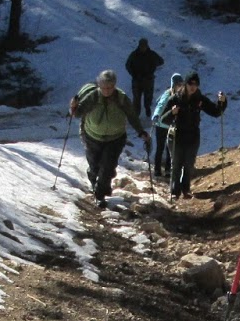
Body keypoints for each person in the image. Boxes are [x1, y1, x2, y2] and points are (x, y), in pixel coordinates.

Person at [70, 69, 150, 208]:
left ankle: (99, 194)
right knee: (95, 165)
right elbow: (78, 113)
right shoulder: (93, 96)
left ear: (114, 85)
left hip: (115, 138)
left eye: (110, 87)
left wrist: (141, 131)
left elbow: (131, 115)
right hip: (92, 136)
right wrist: (74, 107)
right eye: (104, 88)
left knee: (108, 166)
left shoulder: (121, 97)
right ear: (99, 86)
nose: (107, 91)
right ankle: (96, 180)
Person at [164, 72, 227, 199]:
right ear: (185, 84)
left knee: (189, 163)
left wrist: (222, 102)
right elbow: (164, 119)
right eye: (190, 84)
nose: (193, 86)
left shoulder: (199, 99)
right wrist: (172, 112)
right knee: (176, 163)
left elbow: (215, 111)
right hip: (177, 134)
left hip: (193, 135)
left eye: (196, 84)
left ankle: (185, 189)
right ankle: (174, 191)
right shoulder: (175, 99)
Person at [150, 72, 182, 179]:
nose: (179, 87)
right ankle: (157, 170)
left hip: (171, 126)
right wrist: (156, 115)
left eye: (181, 84)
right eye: (178, 85)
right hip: (161, 124)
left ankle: (168, 170)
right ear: (173, 85)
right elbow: (160, 106)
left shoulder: (180, 96)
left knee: (170, 148)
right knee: (160, 147)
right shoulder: (167, 94)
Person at [124, 38, 165, 119]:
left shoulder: (151, 54)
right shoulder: (134, 55)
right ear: (139, 46)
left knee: (148, 97)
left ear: (147, 45)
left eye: (144, 46)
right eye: (141, 46)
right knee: (136, 98)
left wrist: (153, 66)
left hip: (148, 80)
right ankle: (136, 115)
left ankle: (147, 109)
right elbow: (128, 65)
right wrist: (133, 74)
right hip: (137, 80)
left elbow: (161, 61)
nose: (143, 48)